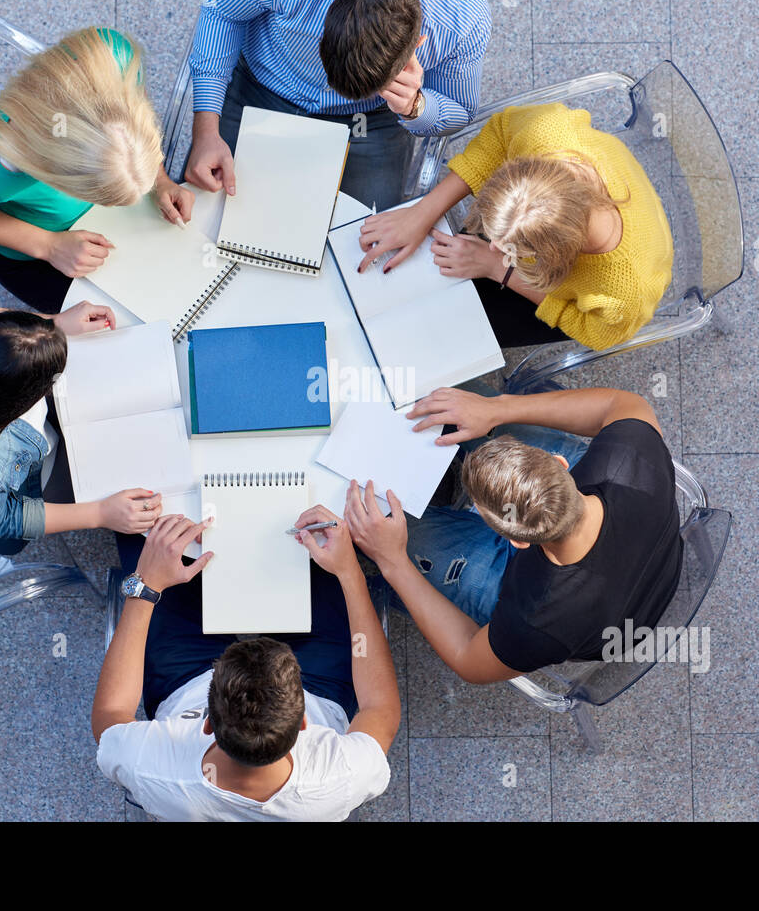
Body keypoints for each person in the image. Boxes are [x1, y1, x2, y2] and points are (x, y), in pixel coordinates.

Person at [344, 384, 682, 682]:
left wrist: (392, 562)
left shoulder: (536, 620)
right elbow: (623, 404)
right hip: (644, 558)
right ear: (561, 464)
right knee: (452, 398)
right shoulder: (632, 458)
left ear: (516, 542)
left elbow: (468, 658)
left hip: (573, 613)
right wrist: (496, 408)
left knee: (374, 526)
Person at [94, 508, 399, 821]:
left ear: (208, 722)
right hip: (320, 686)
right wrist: (350, 574)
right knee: (325, 536)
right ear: (303, 723)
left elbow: (110, 714)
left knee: (147, 528)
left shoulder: (150, 766)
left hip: (183, 681)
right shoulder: (345, 773)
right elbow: (379, 708)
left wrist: (146, 586)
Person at [184, 0, 491, 211]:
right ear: (326, 19)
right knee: (201, 209)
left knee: (369, 243)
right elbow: (221, 10)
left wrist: (416, 106)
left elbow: (461, 109)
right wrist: (205, 132)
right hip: (262, 88)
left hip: (372, 122)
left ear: (418, 45)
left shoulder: (463, 16)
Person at [355, 103, 674, 350]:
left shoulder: (626, 290)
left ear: (552, 259)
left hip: (573, 297)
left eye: (506, 248)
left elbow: (597, 333)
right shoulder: (546, 133)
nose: (493, 246)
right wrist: (423, 211)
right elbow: (500, 134)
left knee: (441, 329)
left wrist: (499, 270)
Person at [0, 27, 190, 314]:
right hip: (30, 250)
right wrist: (49, 246)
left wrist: (157, 179)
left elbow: (134, 110)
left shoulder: (114, 56)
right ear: (60, 175)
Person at [0, 294, 162, 555]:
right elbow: (3, 520)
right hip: (18, 485)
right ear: (9, 406)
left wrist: (51, 326)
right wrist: (100, 514)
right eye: (47, 383)